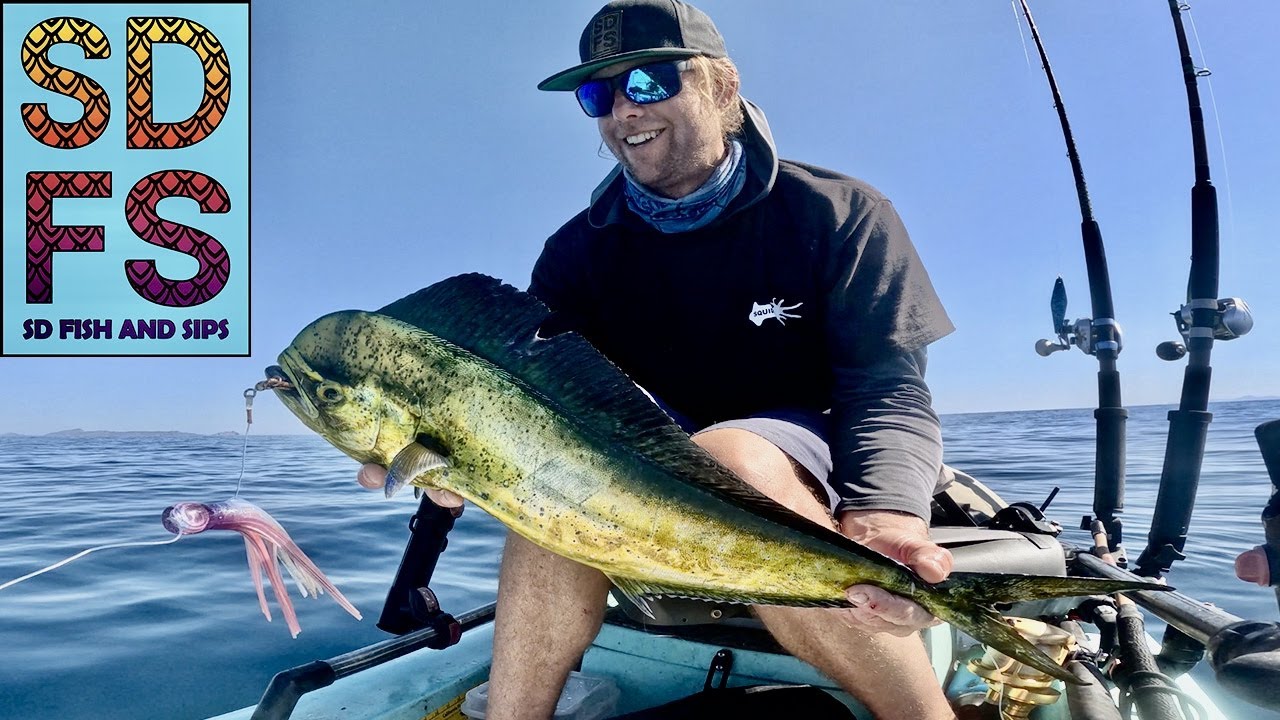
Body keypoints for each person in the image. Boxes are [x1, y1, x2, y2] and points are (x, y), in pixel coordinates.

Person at [362, 1, 957, 717]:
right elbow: (527, 401)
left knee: (731, 457)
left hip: (799, 449)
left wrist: (888, 514)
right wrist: (438, 454)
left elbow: (887, 390)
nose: (623, 110)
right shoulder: (574, 254)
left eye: (649, 81)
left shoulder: (840, 212)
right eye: (598, 95)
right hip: (646, 459)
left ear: (722, 86)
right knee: (558, 487)